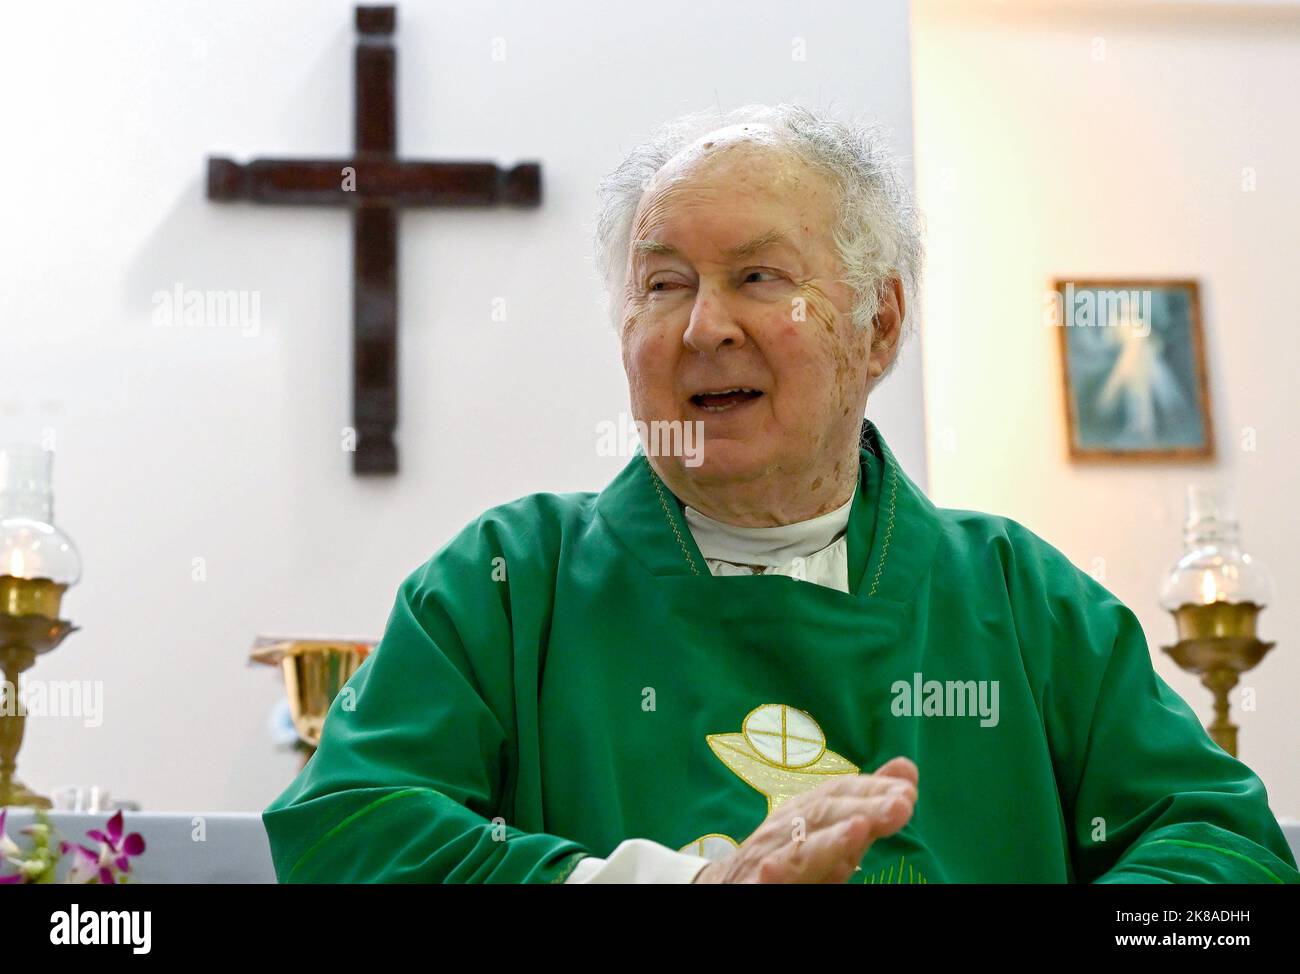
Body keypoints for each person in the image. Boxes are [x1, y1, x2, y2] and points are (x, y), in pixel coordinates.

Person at [263, 104, 1298, 884]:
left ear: (880, 326)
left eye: (759, 277)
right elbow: (349, 829)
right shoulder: (504, 584)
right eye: (662, 284)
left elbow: (1222, 850)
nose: (703, 326)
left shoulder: (1021, 600)